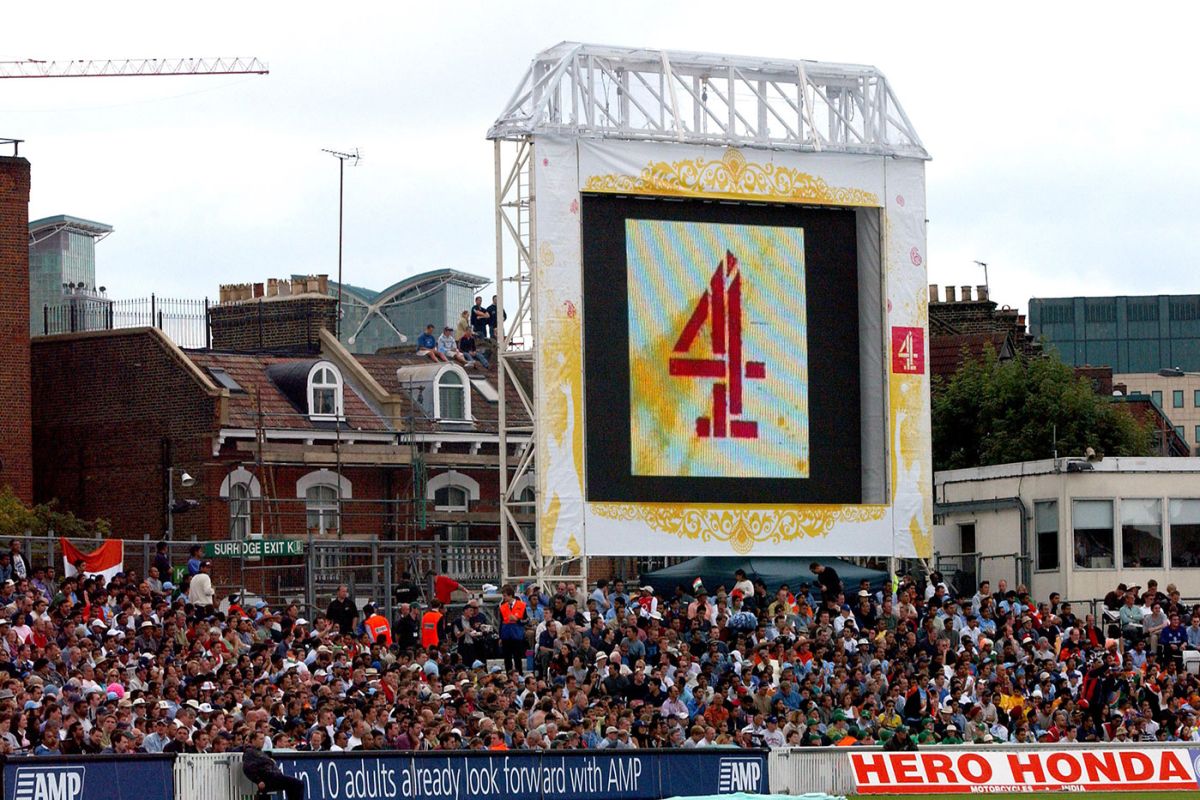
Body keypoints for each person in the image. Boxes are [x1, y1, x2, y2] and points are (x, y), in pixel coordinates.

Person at [242, 732, 306, 800]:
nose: (263, 741)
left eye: (263, 739)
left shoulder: (257, 751)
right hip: (268, 778)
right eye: (261, 739)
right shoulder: (250, 752)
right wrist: (258, 781)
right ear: (253, 740)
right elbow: (247, 768)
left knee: (294, 785)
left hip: (273, 776)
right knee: (298, 784)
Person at [499, 585, 528, 673]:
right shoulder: (502, 606)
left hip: (517, 635)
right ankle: (509, 675)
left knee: (517, 657)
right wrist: (500, 636)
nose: (504, 598)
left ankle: (519, 675)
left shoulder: (521, 605)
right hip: (506, 634)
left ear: (510, 595)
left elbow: (526, 620)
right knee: (507, 658)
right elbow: (501, 622)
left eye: (505, 596)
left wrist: (517, 620)